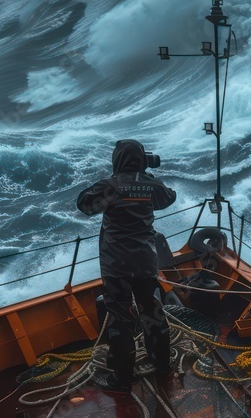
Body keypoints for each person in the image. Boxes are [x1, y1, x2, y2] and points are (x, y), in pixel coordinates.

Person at [76, 139, 177, 392]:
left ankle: (122, 377)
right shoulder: (151, 186)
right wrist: (144, 177)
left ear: (117, 160)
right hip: (144, 262)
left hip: (116, 265)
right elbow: (168, 198)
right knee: (151, 310)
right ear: (141, 160)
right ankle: (162, 364)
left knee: (119, 319)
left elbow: (84, 205)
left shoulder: (110, 187)